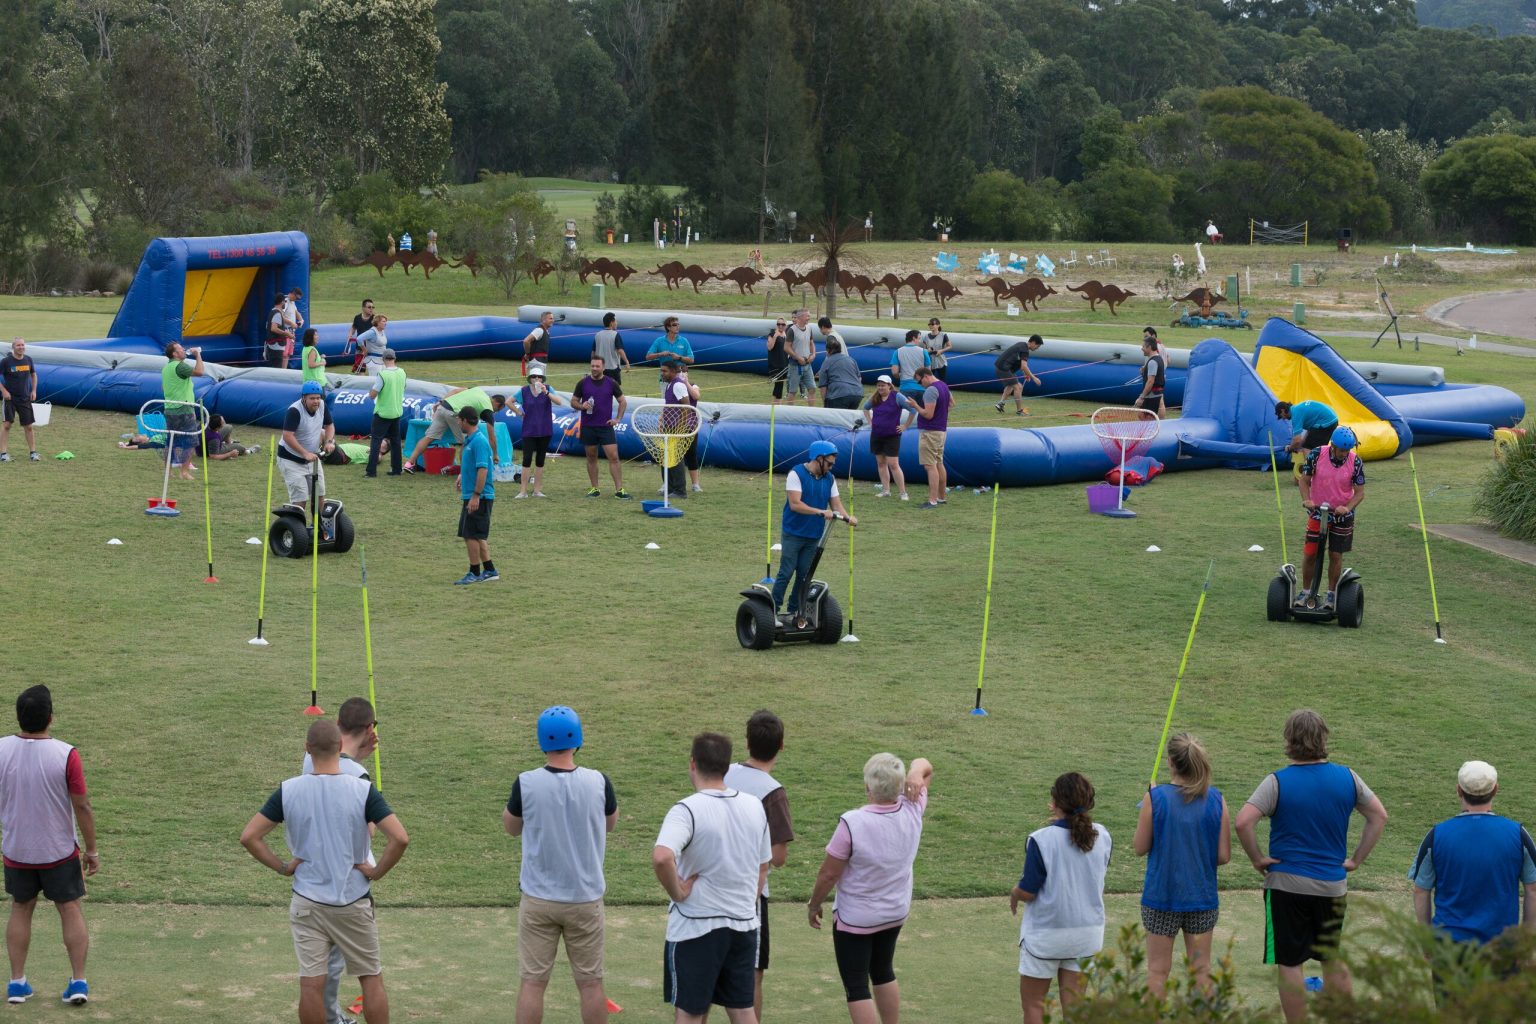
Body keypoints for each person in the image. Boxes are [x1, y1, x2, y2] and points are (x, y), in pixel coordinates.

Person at [241, 720, 409, 1024]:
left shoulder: (288, 790)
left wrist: (283, 867)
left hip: (307, 902)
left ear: (307, 749)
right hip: (353, 901)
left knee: (311, 984)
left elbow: (249, 837)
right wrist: (376, 872)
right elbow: (400, 838)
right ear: (340, 749)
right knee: (370, 978)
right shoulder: (362, 790)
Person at [1234, 710, 1389, 1024]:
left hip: (1286, 886)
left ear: (1289, 740)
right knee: (1331, 957)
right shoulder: (1348, 778)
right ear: (1323, 738)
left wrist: (1257, 858)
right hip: (1332, 885)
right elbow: (1378, 816)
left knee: (1290, 963)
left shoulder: (1277, 781)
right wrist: (1356, 859)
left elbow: (1243, 822)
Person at [504, 707, 618, 1024]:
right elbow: (610, 824)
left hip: (539, 900)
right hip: (585, 899)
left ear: (542, 742)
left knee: (532, 982)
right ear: (578, 740)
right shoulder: (599, 781)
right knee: (591, 983)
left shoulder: (525, 783)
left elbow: (511, 828)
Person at [652, 732, 772, 1024]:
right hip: (743, 926)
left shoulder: (686, 810)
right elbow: (763, 865)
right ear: (727, 766)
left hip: (696, 928)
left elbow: (662, 856)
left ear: (693, 763)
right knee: (743, 1010)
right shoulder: (754, 806)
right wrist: (745, 902)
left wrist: (678, 892)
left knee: (690, 1013)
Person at [807, 753, 934, 1024]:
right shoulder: (912, 808)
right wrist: (914, 772)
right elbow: (925, 766)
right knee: (883, 970)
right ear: (902, 786)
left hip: (856, 919)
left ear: (868, 788)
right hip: (895, 912)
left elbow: (829, 874)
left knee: (856, 985)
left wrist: (814, 904)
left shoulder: (853, 823)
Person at [0, 685, 99, 1007]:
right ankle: (79, 981)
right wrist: (92, 850)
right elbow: (82, 806)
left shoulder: (0, 750)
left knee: (20, 907)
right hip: (58, 851)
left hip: (17, 850)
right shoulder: (66, 754)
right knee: (70, 909)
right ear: (50, 718)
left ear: (18, 717)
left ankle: (17, 984)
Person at [1410, 760, 1536, 968]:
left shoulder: (1437, 835)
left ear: (1459, 790)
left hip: (1450, 949)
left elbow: (1420, 891)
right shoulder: (1518, 835)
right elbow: (1532, 890)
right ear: (1495, 789)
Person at [300, 698, 380, 1024]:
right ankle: (332, 1020)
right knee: (359, 970)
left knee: (319, 967)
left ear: (337, 723)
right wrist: (361, 766)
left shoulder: (310, 759)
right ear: (370, 729)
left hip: (313, 878)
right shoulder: (359, 777)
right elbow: (369, 831)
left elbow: (336, 765)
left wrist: (358, 755)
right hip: (348, 885)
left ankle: (331, 1017)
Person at [1134, 734, 1230, 1000]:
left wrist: (1150, 803)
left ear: (1171, 762)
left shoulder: (1156, 798)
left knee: (1157, 972)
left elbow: (1140, 847)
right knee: (1201, 971)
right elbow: (1223, 855)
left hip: (1160, 898)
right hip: (1201, 898)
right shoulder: (1217, 799)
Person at [1011, 772, 1111, 1024]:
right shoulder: (1103, 836)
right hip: (1087, 936)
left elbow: (1028, 891)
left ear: (1054, 802)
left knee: (1035, 1005)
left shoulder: (1041, 839)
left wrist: (1014, 892)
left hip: (1046, 936)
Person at [724, 712, 795, 1024]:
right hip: (750, 894)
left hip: (710, 884)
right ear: (781, 745)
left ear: (747, 742)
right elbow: (777, 858)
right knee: (751, 974)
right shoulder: (773, 791)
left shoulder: (721, 773)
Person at [771, 441, 857, 628]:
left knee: (804, 575)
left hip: (813, 535)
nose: (831, 467)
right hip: (793, 532)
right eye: (829, 463)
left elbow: (836, 504)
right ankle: (773, 611)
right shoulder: (796, 474)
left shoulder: (829, 479)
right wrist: (820, 512)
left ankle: (795, 612)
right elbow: (795, 504)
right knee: (786, 572)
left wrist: (847, 517)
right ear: (819, 459)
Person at [1296, 426, 1365, 610]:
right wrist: (1307, 500)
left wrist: (1347, 507)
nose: (1345, 453)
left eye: (1347, 449)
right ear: (1333, 445)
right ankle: (1305, 592)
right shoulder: (1317, 454)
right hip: (1318, 512)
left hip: (1342, 516)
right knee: (1310, 553)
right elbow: (1304, 480)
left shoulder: (1355, 462)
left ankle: (1331, 595)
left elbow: (1359, 493)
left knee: (1335, 554)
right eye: (1342, 449)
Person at [572, 356, 630, 499]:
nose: (594, 368)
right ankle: (594, 489)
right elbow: (573, 401)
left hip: (605, 427)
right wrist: (582, 406)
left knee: (614, 457)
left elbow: (622, 401)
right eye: (592, 366)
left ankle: (619, 490)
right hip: (588, 426)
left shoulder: (611, 383)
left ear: (603, 368)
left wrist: (618, 419)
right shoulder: (583, 383)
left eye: (597, 366)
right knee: (591, 458)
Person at [403, 386, 495, 474]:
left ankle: (409, 463)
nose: (495, 412)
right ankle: (464, 471)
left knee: (428, 438)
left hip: (443, 406)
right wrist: (495, 454)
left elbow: (455, 391)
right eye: (497, 410)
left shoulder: (477, 390)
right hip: (454, 412)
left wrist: (440, 402)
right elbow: (491, 437)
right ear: (499, 404)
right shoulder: (488, 408)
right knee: (466, 442)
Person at [509, 364, 568, 499]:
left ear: (542, 379)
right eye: (534, 376)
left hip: (545, 430)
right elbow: (509, 401)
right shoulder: (523, 391)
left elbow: (559, 401)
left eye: (539, 377)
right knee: (527, 459)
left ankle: (537, 490)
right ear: (530, 378)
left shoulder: (548, 389)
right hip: (529, 430)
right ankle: (523, 491)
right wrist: (519, 412)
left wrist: (546, 392)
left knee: (540, 460)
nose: (536, 379)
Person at [278, 381, 336, 510]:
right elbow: (287, 436)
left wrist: (329, 442)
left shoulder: (322, 406)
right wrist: (305, 453)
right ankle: (298, 529)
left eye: (318, 397)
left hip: (312, 459)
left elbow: (329, 425)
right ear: (304, 398)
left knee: (319, 495)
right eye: (312, 398)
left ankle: (319, 528)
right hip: (290, 459)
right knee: (300, 499)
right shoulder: (295, 410)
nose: (316, 401)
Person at [455, 405, 497, 584]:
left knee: (470, 534)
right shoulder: (471, 440)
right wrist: (462, 475)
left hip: (480, 496)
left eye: (459, 420)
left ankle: (474, 572)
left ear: (465, 420)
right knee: (476, 534)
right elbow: (472, 465)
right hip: (473, 494)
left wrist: (475, 495)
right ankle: (490, 570)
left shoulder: (479, 441)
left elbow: (483, 470)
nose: (458, 422)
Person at [862, 376, 915, 500]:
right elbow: (865, 408)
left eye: (883, 385)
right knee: (881, 463)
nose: (880, 387)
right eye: (879, 385)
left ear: (889, 385)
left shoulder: (897, 397)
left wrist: (905, 426)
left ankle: (903, 492)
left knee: (893, 464)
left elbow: (912, 410)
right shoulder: (875, 397)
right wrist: (870, 422)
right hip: (877, 434)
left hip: (892, 436)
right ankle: (886, 490)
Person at [162, 341, 205, 481]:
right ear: (174, 353)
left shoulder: (166, 368)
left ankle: (168, 471)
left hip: (169, 409)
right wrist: (198, 355)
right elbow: (200, 372)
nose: (183, 350)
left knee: (170, 441)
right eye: (180, 349)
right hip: (184, 408)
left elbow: (163, 388)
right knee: (191, 441)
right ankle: (184, 472)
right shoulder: (179, 366)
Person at [911, 367, 951, 509]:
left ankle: (932, 500)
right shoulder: (943, 386)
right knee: (939, 463)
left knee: (930, 466)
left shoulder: (931, 390)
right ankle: (941, 498)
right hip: (941, 431)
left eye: (919, 381)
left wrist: (915, 405)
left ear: (926, 376)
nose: (920, 384)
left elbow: (928, 414)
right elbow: (951, 404)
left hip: (930, 432)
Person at [660, 361, 702, 494]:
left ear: (673, 371)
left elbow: (686, 407)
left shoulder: (678, 385)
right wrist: (662, 421)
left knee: (678, 459)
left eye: (665, 371)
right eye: (662, 371)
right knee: (668, 458)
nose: (662, 373)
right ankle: (670, 487)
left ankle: (679, 490)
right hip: (670, 427)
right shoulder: (669, 385)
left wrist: (681, 427)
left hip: (679, 428)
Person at [366, 350, 406, 477]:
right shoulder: (402, 372)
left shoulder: (382, 375)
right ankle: (397, 469)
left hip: (382, 413)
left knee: (376, 441)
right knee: (395, 442)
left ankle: (371, 471)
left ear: (383, 359)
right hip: (396, 411)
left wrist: (370, 392)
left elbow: (373, 394)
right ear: (395, 358)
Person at [1, 338, 40, 462]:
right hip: (10, 398)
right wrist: (4, 391)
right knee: (7, 425)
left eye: (22, 345)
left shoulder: (28, 360)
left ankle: (33, 453)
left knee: (28, 426)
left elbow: (33, 375)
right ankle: (3, 454)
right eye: (18, 345)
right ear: (13, 347)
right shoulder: (6, 361)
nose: (21, 347)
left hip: (25, 398)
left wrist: (33, 391)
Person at [993, 335, 1043, 415]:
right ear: (1033, 342)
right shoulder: (1025, 350)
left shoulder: (1021, 345)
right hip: (1003, 368)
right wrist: (1034, 378)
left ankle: (1000, 404)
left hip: (1001, 367)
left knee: (1010, 386)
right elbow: (1024, 366)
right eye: (1038, 345)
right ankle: (1019, 411)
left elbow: (1019, 363)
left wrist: (1025, 374)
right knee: (1018, 387)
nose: (1037, 348)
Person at [647, 317, 695, 390]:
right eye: (675, 325)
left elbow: (691, 360)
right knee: (667, 400)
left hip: (681, 378)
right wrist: (660, 354)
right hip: (666, 378)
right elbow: (648, 357)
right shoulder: (659, 341)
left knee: (682, 400)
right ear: (668, 327)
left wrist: (679, 357)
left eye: (678, 324)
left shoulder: (684, 341)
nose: (678, 326)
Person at [818, 335, 864, 410]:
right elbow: (859, 378)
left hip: (838, 395)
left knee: (836, 420)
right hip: (857, 394)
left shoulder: (827, 362)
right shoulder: (851, 359)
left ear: (828, 350)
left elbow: (823, 386)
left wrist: (825, 404)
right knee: (849, 419)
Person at [784, 309, 818, 405]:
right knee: (793, 391)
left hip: (807, 365)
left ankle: (811, 413)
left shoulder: (809, 328)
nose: (809, 318)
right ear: (800, 317)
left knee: (812, 389)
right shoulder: (792, 330)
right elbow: (786, 347)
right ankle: (789, 414)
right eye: (807, 316)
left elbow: (811, 343)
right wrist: (798, 357)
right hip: (795, 366)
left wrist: (813, 354)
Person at [889, 330, 930, 401]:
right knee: (921, 411)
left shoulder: (897, 352)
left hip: (905, 387)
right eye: (919, 338)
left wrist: (901, 377)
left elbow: (894, 372)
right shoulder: (924, 351)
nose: (920, 341)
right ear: (914, 338)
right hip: (921, 388)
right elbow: (928, 372)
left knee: (906, 411)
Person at [591, 312, 630, 384]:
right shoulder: (615, 334)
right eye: (615, 321)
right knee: (615, 391)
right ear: (611, 323)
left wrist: (593, 365)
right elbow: (620, 350)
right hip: (612, 369)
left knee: (600, 389)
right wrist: (627, 362)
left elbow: (593, 352)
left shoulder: (597, 335)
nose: (616, 323)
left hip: (600, 368)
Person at [1133, 336, 1167, 418]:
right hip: (1156, 394)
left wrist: (1141, 397)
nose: (1142, 349)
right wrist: (1144, 373)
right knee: (1141, 415)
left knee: (1146, 419)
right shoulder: (1159, 359)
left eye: (1143, 347)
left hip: (1152, 395)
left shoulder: (1152, 361)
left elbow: (1150, 381)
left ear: (1150, 347)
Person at [765, 318, 790, 404]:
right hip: (775, 364)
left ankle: (776, 405)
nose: (780, 326)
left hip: (784, 363)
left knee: (779, 385)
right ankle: (776, 405)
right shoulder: (772, 334)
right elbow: (769, 347)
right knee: (778, 385)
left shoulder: (786, 335)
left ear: (785, 326)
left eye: (782, 324)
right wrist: (775, 336)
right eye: (778, 324)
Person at [522, 311, 555, 376]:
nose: (553, 320)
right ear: (543, 320)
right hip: (537, 362)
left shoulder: (546, 331)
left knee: (541, 384)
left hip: (541, 362)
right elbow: (526, 341)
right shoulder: (539, 330)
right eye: (550, 318)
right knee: (537, 384)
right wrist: (527, 353)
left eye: (552, 318)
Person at [349, 300, 376, 373]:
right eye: (369, 307)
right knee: (360, 370)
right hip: (360, 347)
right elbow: (354, 327)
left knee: (373, 370)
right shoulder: (357, 318)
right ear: (363, 308)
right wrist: (350, 334)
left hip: (372, 349)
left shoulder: (375, 318)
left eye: (373, 307)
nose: (371, 309)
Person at [267, 292, 293, 368]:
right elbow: (274, 328)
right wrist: (287, 334)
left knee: (274, 367)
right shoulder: (277, 313)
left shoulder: (273, 311)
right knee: (276, 368)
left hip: (274, 345)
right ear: (282, 302)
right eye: (285, 301)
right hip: (276, 345)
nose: (285, 303)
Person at [922, 318, 952, 383]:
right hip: (930, 360)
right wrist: (928, 350)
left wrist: (941, 351)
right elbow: (924, 350)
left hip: (940, 360)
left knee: (942, 380)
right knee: (929, 380)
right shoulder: (926, 336)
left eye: (933, 324)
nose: (931, 326)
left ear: (938, 325)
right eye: (929, 324)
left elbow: (949, 346)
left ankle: (943, 392)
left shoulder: (943, 335)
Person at [283, 287, 306, 365]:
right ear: (292, 294)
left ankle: (284, 372)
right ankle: (281, 372)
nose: (296, 299)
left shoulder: (292, 302)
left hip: (291, 332)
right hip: (285, 331)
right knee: (284, 354)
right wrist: (291, 323)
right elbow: (280, 315)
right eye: (296, 297)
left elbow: (296, 312)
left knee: (288, 354)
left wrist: (301, 320)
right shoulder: (285, 300)